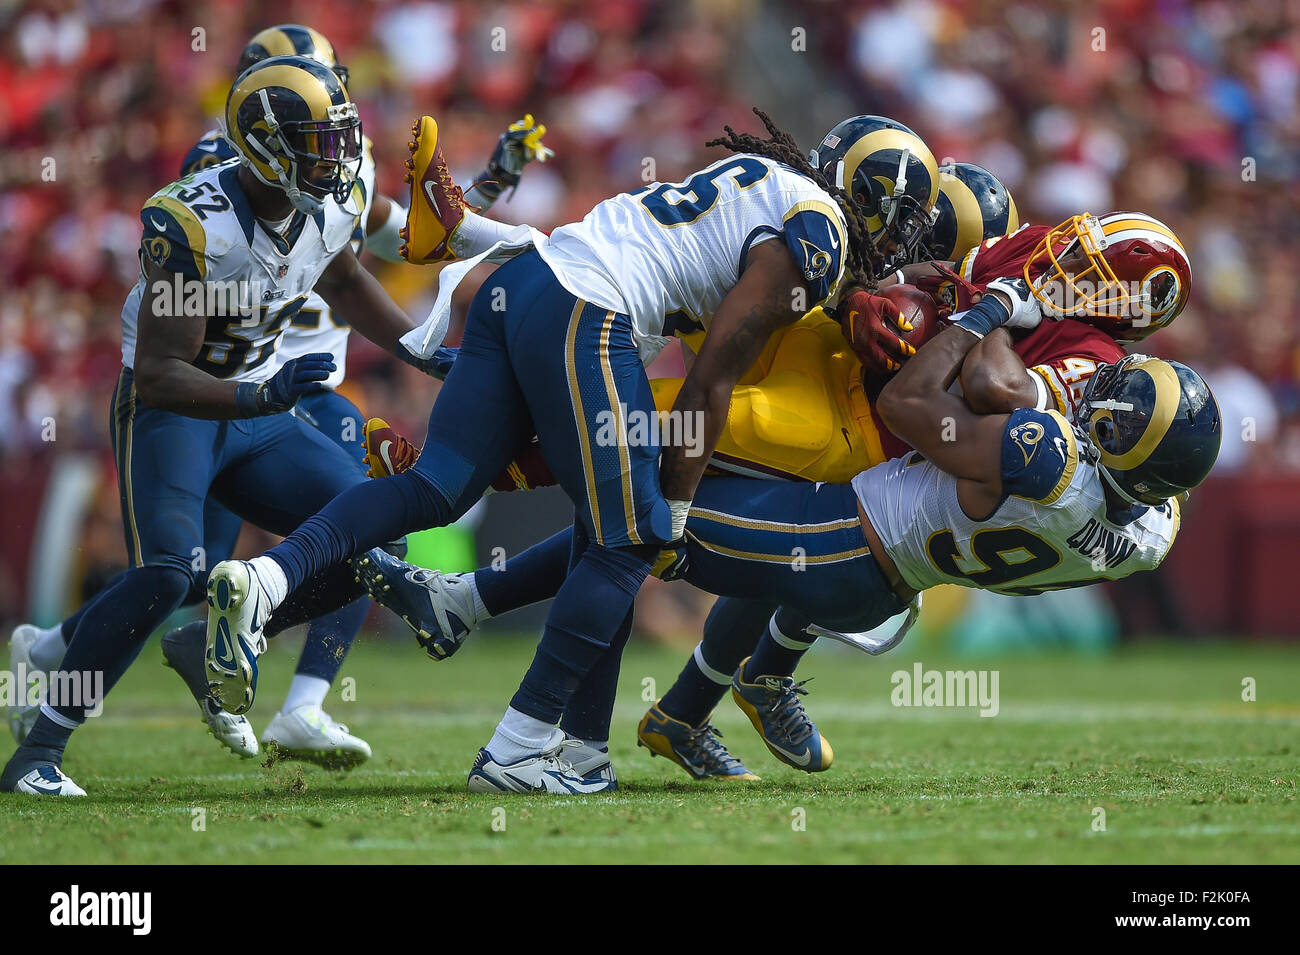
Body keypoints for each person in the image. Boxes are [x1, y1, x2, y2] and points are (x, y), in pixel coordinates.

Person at [202, 108, 893, 795]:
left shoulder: (765, 182)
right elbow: (709, 379)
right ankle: (518, 748)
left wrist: (469, 228)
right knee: (633, 538)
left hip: (527, 288)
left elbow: (630, 258)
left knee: (439, 488)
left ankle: (268, 578)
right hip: (586, 312)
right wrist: (676, 512)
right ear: (868, 199)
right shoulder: (818, 232)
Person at [356, 276, 1221, 776]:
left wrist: (986, 315)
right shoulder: (1153, 529)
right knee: (646, 514)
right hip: (871, 572)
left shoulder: (1046, 454)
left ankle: (535, 718)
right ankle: (673, 702)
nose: (1099, 395)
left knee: (633, 511)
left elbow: (910, 402)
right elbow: (1117, 469)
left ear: (1122, 457)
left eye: (1113, 413)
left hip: (842, 539)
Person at [2, 55, 419, 796]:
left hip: (255, 406)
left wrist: (423, 348)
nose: (336, 158)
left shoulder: (328, 202)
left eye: (337, 139)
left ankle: (223, 635)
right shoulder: (193, 224)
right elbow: (162, 372)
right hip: (177, 411)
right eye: (316, 142)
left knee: (375, 529)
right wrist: (260, 399)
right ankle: (39, 750)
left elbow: (349, 277)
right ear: (264, 146)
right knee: (169, 573)